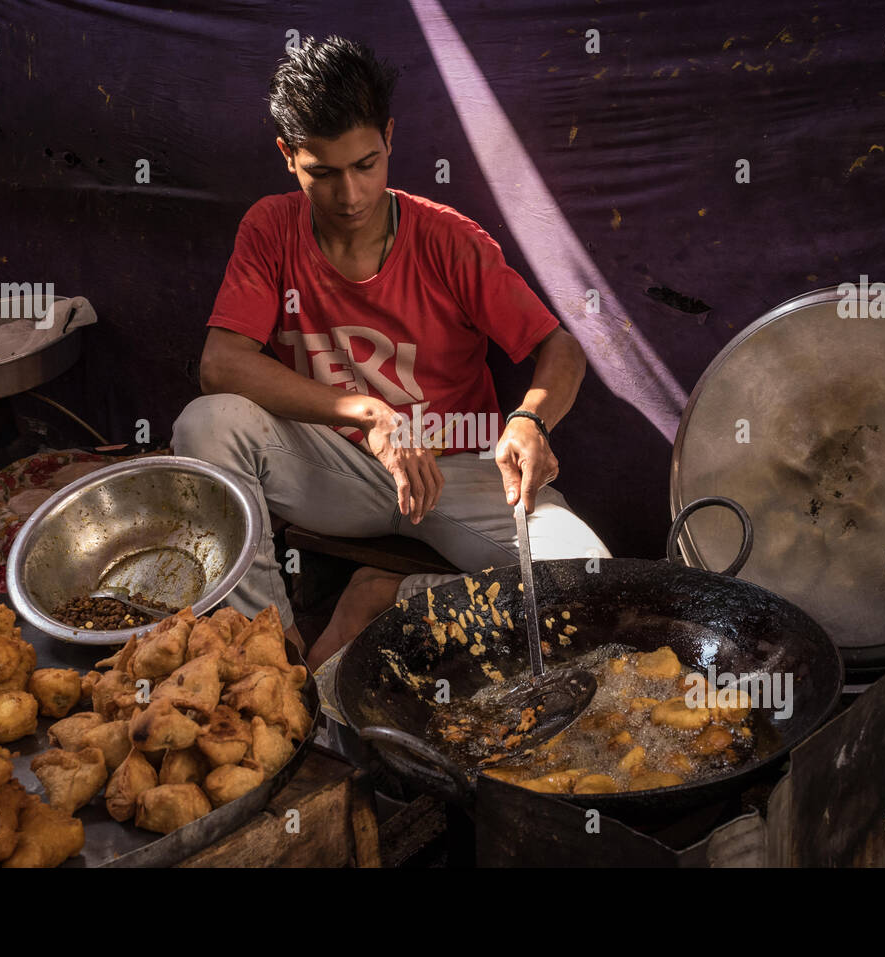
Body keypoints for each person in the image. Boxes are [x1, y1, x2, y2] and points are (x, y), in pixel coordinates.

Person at [172, 35, 609, 667]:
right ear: (287, 156)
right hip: (336, 470)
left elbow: (558, 347)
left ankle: (391, 596)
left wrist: (530, 419)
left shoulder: (447, 238)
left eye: (366, 165)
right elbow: (221, 363)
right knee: (206, 424)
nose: (350, 195)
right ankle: (266, 654)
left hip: (456, 469)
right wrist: (369, 414)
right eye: (322, 173)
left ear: (390, 140)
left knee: (587, 581)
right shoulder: (269, 228)